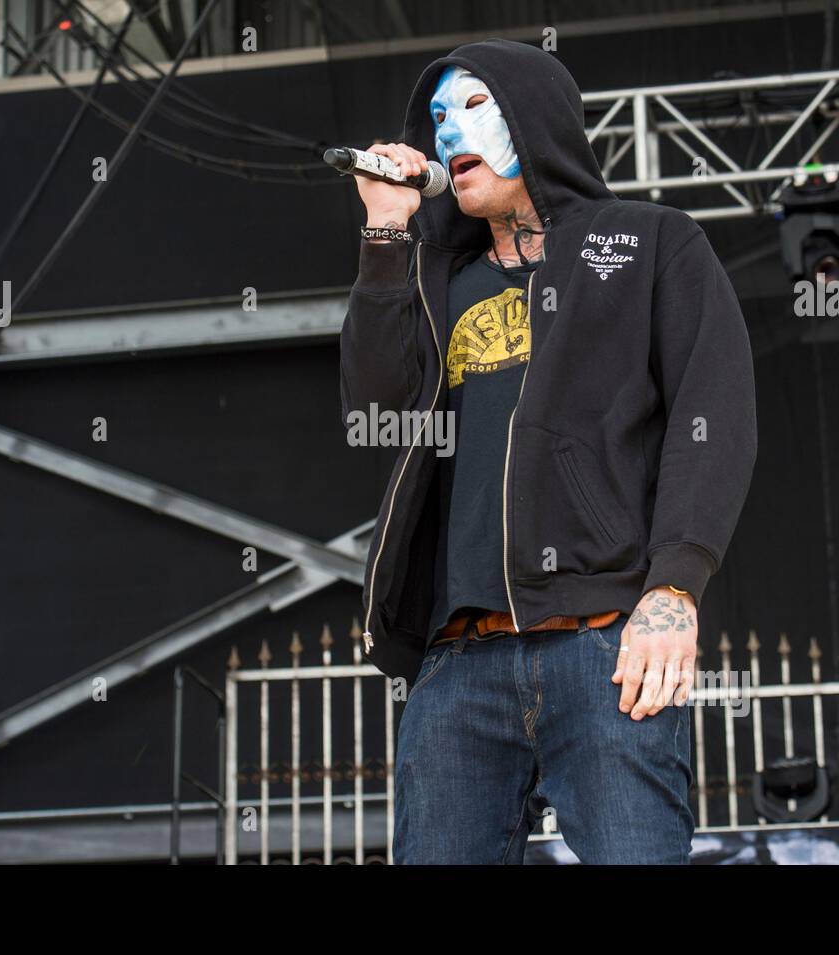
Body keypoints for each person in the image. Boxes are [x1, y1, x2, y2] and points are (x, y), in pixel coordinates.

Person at [339, 38, 757, 864]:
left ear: (535, 118)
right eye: (437, 117)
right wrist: (387, 232)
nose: (449, 131)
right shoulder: (436, 278)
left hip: (601, 645)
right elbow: (376, 411)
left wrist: (676, 587)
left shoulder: (648, 243)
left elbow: (717, 416)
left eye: (474, 107)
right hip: (458, 663)